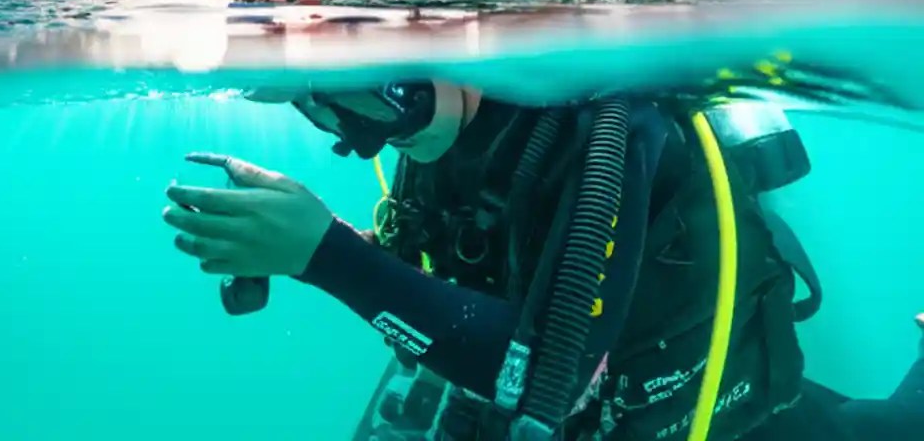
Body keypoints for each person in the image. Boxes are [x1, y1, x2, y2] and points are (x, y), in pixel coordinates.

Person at [161, 80, 923, 440]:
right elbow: (430, 277)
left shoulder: (605, 136)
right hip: (617, 397)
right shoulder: (441, 144)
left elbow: (541, 375)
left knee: (890, 428)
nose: (349, 130)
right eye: (313, 104)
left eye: (360, 96)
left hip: (716, 406)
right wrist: (316, 239)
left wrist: (321, 256)